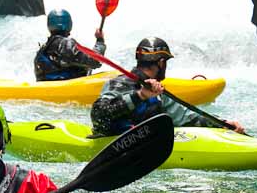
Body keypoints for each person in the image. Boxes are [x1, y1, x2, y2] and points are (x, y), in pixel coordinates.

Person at [90, 37, 246, 136]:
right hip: (112, 144)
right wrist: (140, 96)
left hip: (142, 145)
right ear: (161, 63)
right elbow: (98, 115)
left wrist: (223, 124)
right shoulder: (120, 83)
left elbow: (188, 118)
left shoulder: (158, 92)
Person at [33, 9, 106, 81]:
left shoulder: (43, 49)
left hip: (47, 89)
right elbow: (95, 60)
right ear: (69, 24)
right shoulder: (67, 44)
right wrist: (100, 41)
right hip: (68, 89)